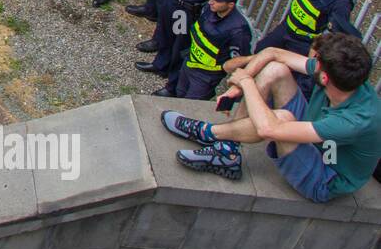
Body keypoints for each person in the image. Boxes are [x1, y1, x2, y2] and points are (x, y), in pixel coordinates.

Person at [161, 33, 380, 200]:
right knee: (275, 69)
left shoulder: (355, 121)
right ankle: (228, 151)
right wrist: (239, 84)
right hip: (319, 135)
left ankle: (209, 133)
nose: (311, 58)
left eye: (316, 60)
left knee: (281, 119)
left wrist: (246, 84)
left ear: (323, 77)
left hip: (324, 175)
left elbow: (269, 130)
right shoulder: (344, 80)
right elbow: (274, 53)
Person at [154, 0, 251, 100]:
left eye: (217, 0)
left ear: (230, 5)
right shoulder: (209, 8)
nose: (211, 2)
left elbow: (240, 60)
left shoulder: (239, 31)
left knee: (191, 106)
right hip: (189, 62)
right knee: (180, 93)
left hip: (205, 76)